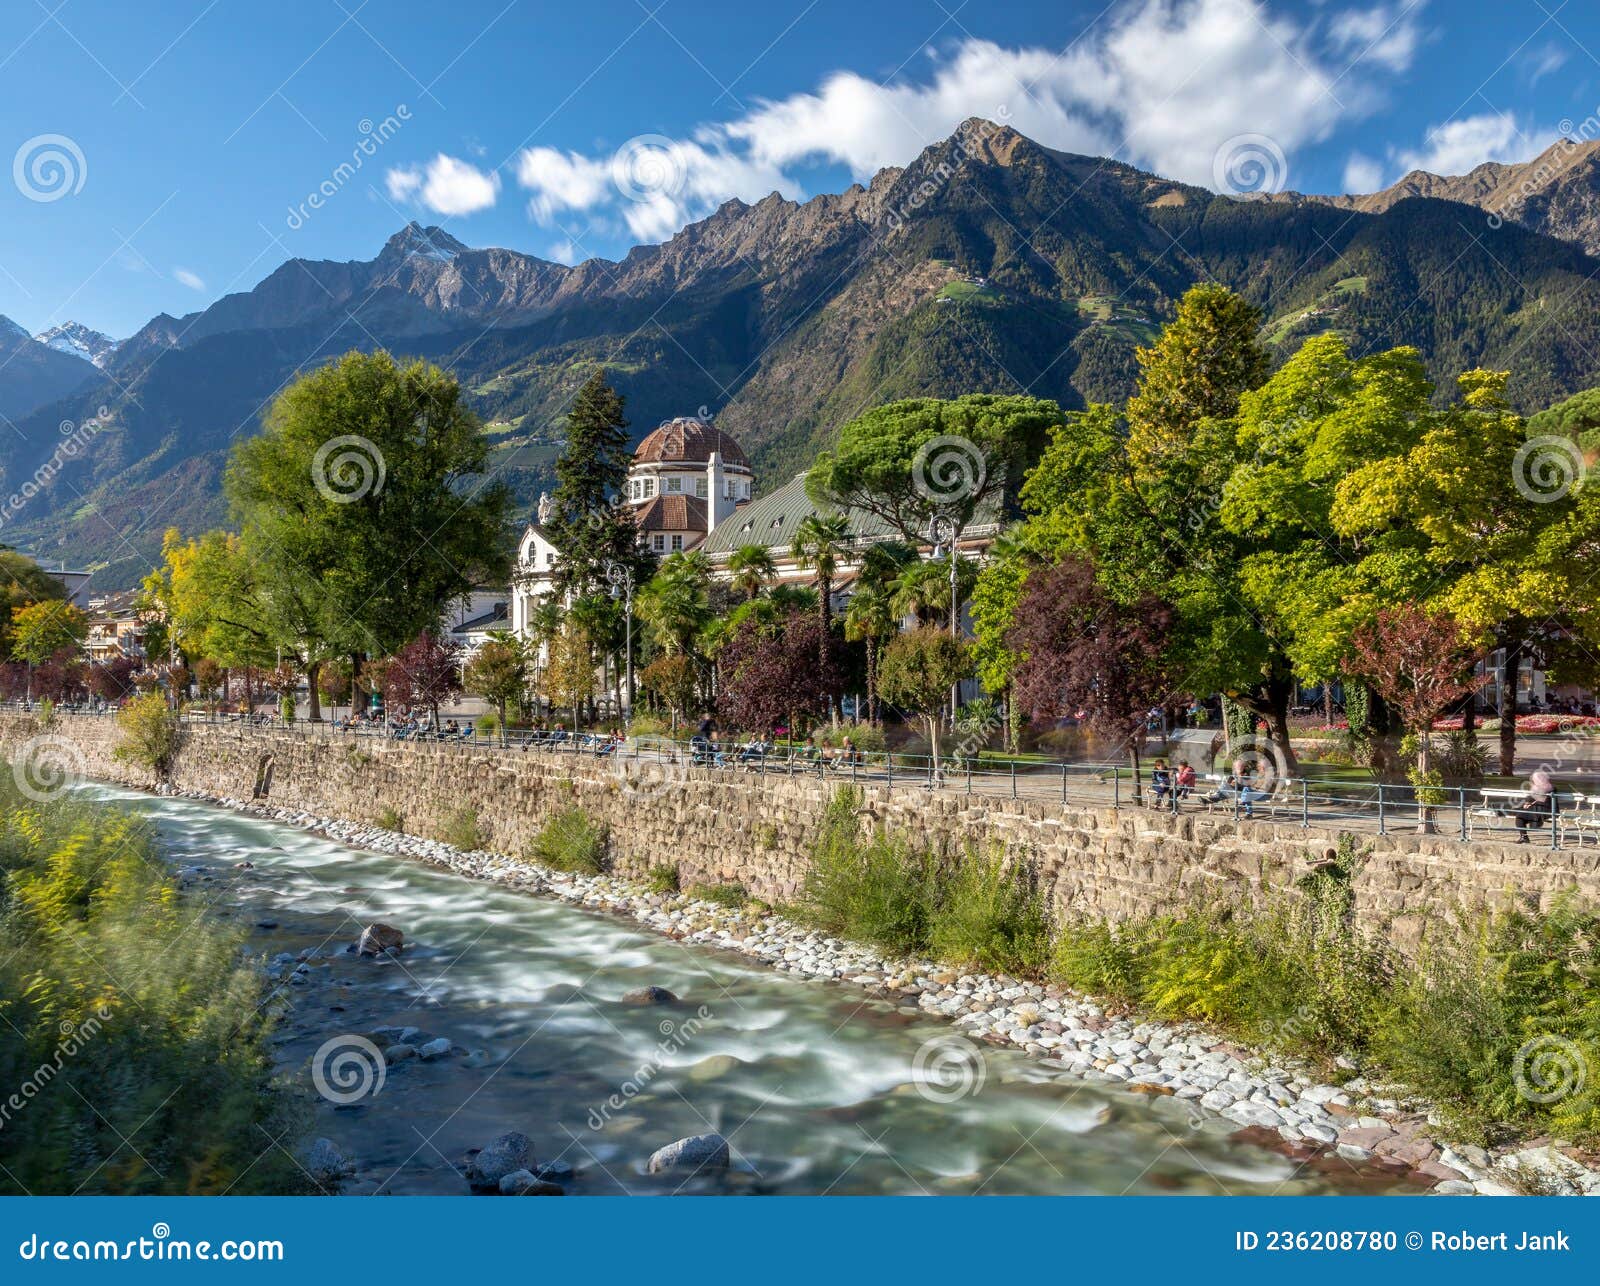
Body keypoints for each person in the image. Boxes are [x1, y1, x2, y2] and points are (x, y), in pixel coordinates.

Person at [1513, 767, 1557, 843]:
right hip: (1539, 809)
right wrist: (1528, 802)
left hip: (1544, 811)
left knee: (1519, 816)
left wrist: (1530, 803)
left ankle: (1524, 837)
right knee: (1520, 812)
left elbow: (1539, 799)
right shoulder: (1543, 787)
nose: (1533, 781)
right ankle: (1524, 837)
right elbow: (1531, 797)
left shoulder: (1547, 788)